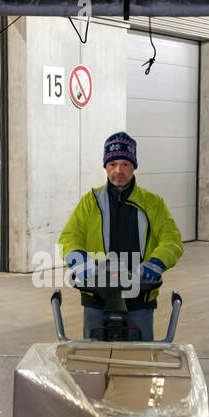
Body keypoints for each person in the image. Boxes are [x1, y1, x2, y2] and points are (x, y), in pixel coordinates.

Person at [58, 131, 184, 340]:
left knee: (139, 357)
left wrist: (156, 262)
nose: (118, 171)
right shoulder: (90, 202)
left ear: (134, 166)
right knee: (94, 356)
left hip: (140, 292)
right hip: (96, 294)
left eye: (125, 164)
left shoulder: (153, 203)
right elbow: (69, 237)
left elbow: (171, 239)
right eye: (112, 164)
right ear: (105, 166)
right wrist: (80, 261)